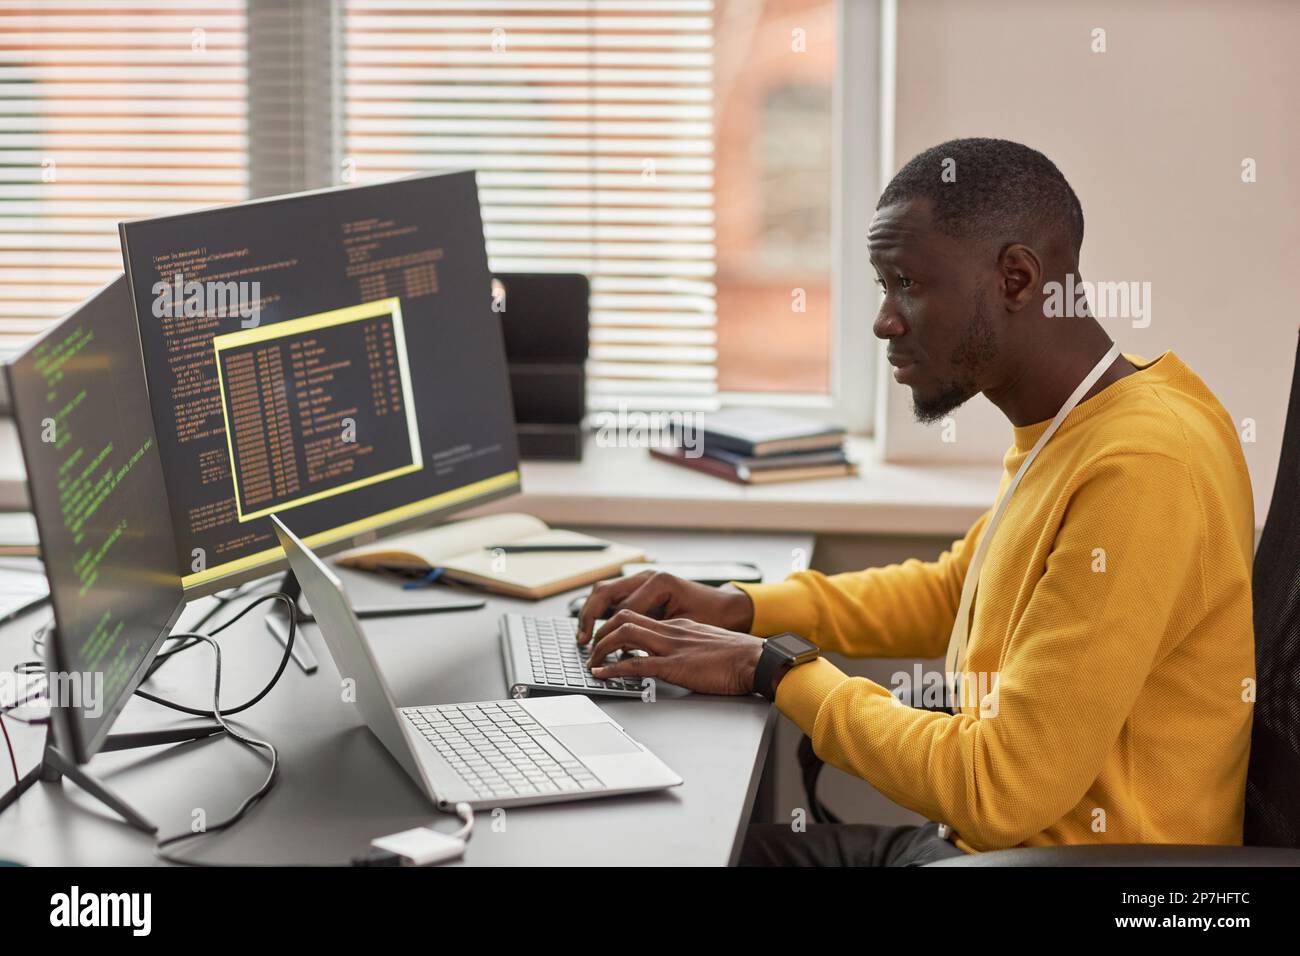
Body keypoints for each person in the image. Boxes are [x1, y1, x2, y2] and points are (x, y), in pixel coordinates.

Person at [575, 138, 1255, 866]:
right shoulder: (1077, 422)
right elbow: (959, 589)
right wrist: (742, 608)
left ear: (1016, 278)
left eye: (906, 282)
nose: (884, 321)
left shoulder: (1142, 466)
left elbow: (999, 788)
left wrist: (768, 669)